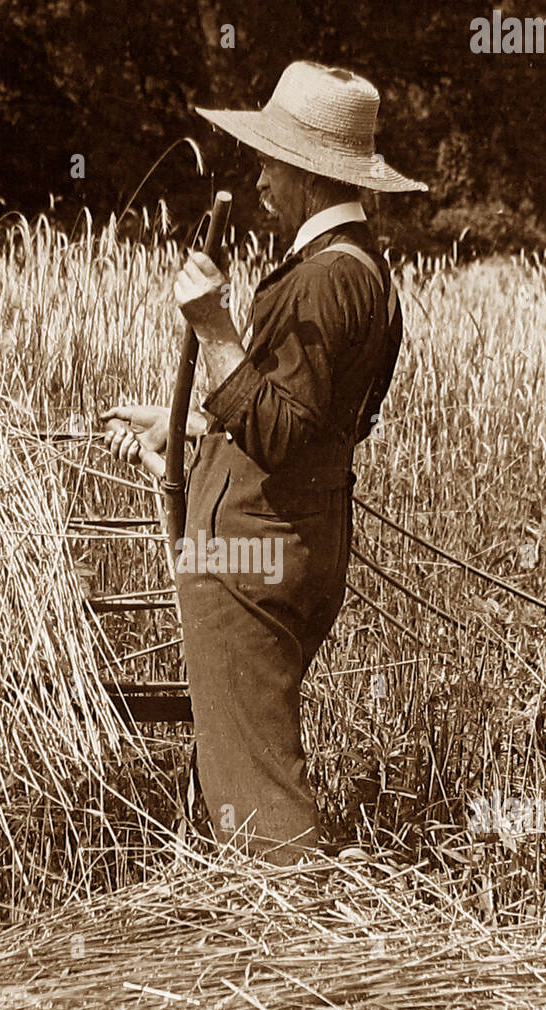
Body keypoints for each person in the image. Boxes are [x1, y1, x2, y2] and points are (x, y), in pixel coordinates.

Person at [103, 61, 426, 863]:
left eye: (271, 161)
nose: (258, 178)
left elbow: (279, 432)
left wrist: (214, 329)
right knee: (240, 766)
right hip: (293, 542)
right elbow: (311, 433)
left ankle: (296, 955)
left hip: (245, 557)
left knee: (259, 804)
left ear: (312, 175)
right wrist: (182, 437)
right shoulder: (366, 275)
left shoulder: (320, 280)